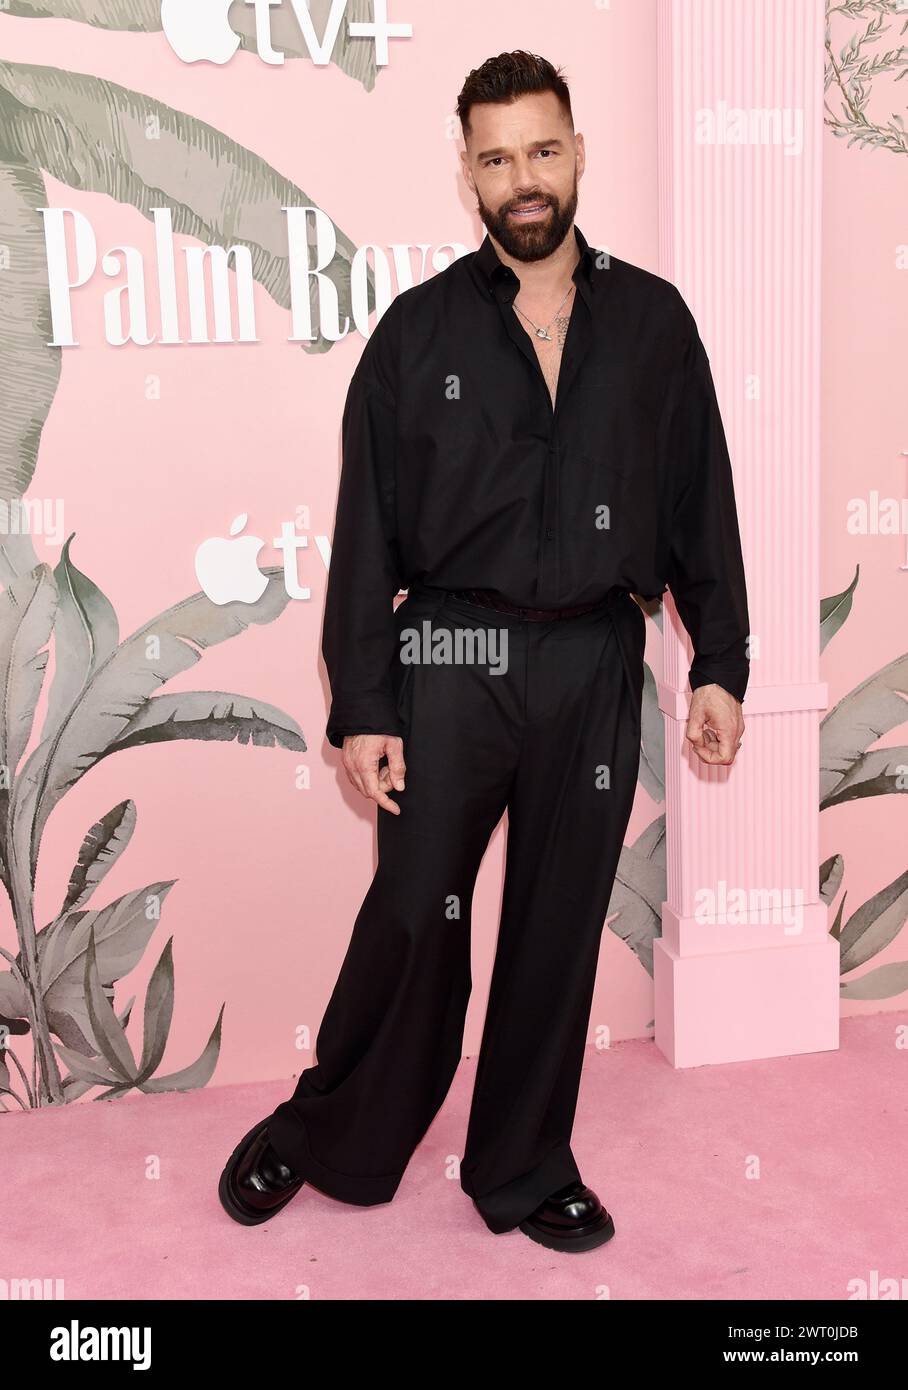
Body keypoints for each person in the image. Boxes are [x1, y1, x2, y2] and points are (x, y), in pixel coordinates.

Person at [219, 50, 748, 1253]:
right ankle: (331, 1137)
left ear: (576, 153)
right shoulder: (415, 334)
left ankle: (519, 1166)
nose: (523, 178)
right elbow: (366, 529)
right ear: (465, 173)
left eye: (542, 149)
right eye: (497, 156)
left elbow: (698, 502)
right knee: (413, 913)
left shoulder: (655, 324)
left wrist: (717, 659)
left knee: (555, 928)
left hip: (596, 663)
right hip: (447, 660)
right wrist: (365, 700)